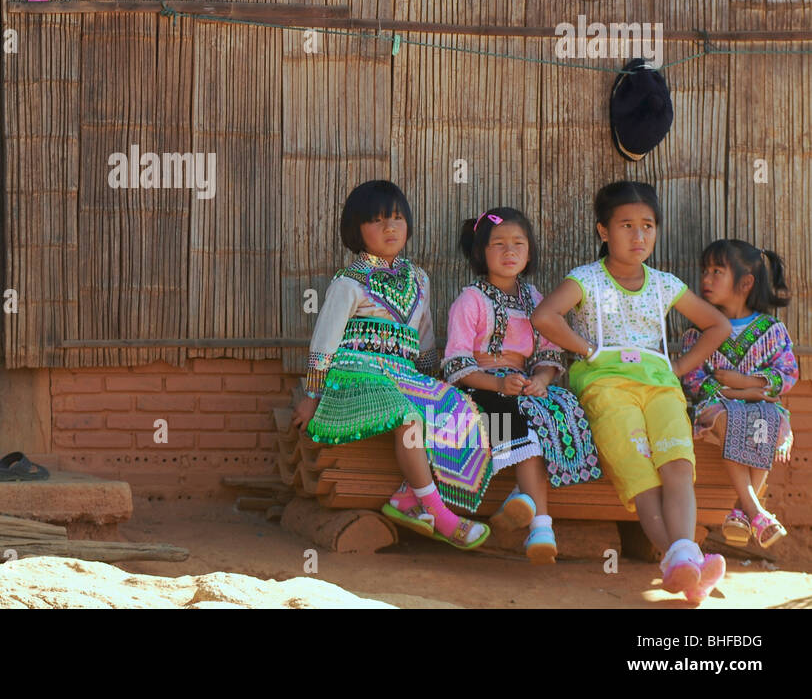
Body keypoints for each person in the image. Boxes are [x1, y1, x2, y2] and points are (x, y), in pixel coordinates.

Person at [533, 181, 731, 603]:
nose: (639, 236)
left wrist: (677, 367)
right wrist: (588, 350)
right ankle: (682, 564)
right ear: (603, 231)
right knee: (643, 478)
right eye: (627, 226)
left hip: (660, 387)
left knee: (677, 465)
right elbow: (545, 316)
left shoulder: (664, 284)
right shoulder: (586, 279)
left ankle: (683, 562)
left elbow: (719, 325)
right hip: (606, 388)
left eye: (648, 226)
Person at [291, 180, 493, 551]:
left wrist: (436, 385)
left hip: (403, 373)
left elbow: (425, 335)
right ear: (356, 230)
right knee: (406, 415)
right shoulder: (349, 281)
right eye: (378, 220)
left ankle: (405, 499)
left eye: (398, 218)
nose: (390, 228)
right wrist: (312, 395)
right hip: (357, 374)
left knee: (458, 409)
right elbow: (325, 341)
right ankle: (439, 515)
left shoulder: (419, 279)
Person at [442, 207, 602, 563]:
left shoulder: (533, 298)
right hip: (477, 387)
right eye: (498, 244)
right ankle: (541, 527)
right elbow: (454, 363)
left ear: (529, 252)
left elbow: (549, 351)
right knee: (512, 419)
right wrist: (497, 385)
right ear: (480, 252)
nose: (509, 251)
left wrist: (542, 380)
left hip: (521, 383)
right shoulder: (471, 300)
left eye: (518, 243)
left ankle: (521, 498)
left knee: (562, 408)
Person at [679, 239, 797, 549]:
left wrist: (743, 383)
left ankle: (741, 512)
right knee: (733, 418)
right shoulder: (698, 330)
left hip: (762, 410)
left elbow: (788, 374)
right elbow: (692, 379)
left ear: (745, 283)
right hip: (716, 412)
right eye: (705, 271)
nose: (706, 279)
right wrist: (733, 392)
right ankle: (755, 510)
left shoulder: (772, 330)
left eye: (717, 271)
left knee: (767, 423)